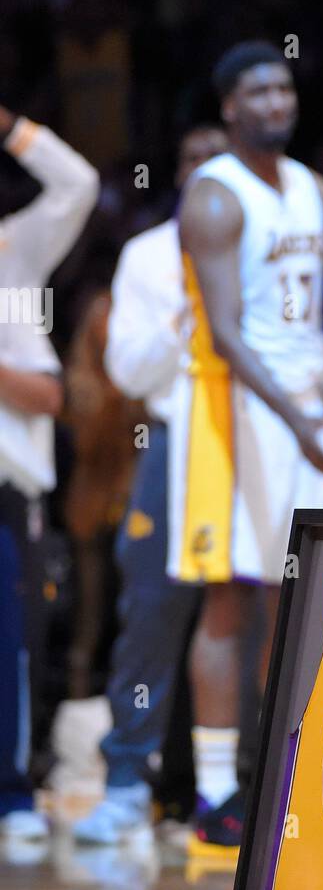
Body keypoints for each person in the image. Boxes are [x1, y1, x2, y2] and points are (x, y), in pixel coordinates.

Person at [169, 43, 323, 849]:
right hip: (235, 408)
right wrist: (300, 418)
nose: (273, 99)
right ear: (228, 107)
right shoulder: (214, 199)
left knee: (292, 599)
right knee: (231, 592)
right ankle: (217, 792)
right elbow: (226, 335)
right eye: (255, 89)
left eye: (282, 85)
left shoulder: (315, 191)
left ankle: (277, 777)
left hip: (302, 391)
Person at [72, 124, 227, 845]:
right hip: (174, 440)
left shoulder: (271, 236)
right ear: (177, 172)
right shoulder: (148, 255)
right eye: (193, 157)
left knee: (249, 615)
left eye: (218, 158)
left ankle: (234, 790)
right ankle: (128, 781)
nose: (206, 170)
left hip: (253, 440)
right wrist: (194, 307)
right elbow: (130, 371)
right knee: (152, 611)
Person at [0, 105, 99, 837]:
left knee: (11, 643)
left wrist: (10, 128)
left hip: (9, 488)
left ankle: (10, 791)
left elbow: (78, 184)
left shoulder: (11, 256)